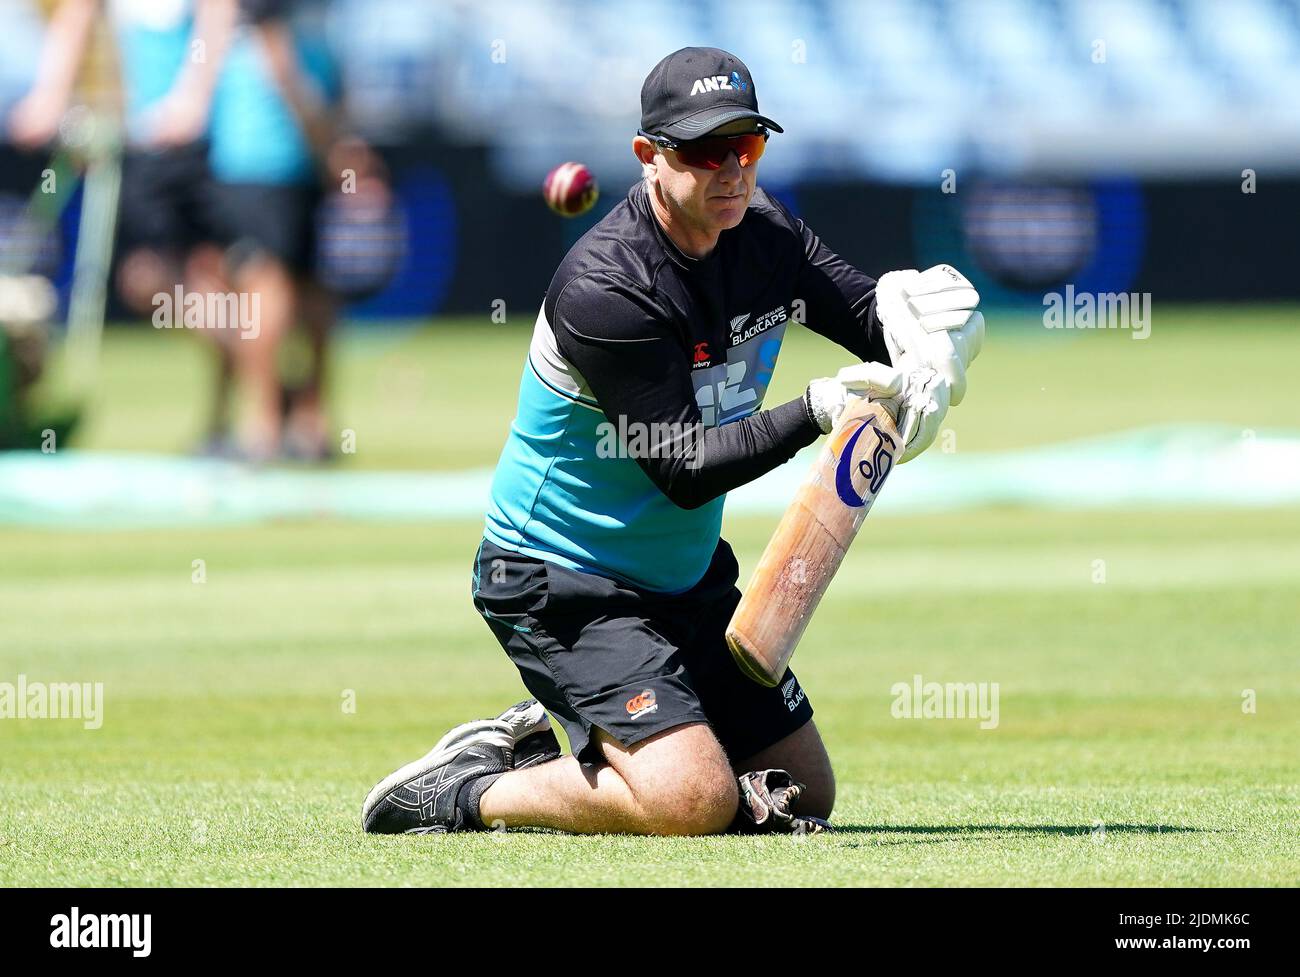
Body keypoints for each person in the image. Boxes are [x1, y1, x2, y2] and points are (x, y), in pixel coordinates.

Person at [362, 48, 985, 836]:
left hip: (683, 579)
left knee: (803, 790)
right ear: (649, 157)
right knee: (694, 801)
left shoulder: (767, 238)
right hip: (560, 582)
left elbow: (874, 319)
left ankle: (584, 759)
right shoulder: (607, 287)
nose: (729, 170)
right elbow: (682, 469)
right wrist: (819, 407)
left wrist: (935, 327)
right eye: (701, 150)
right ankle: (464, 787)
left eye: (747, 146)